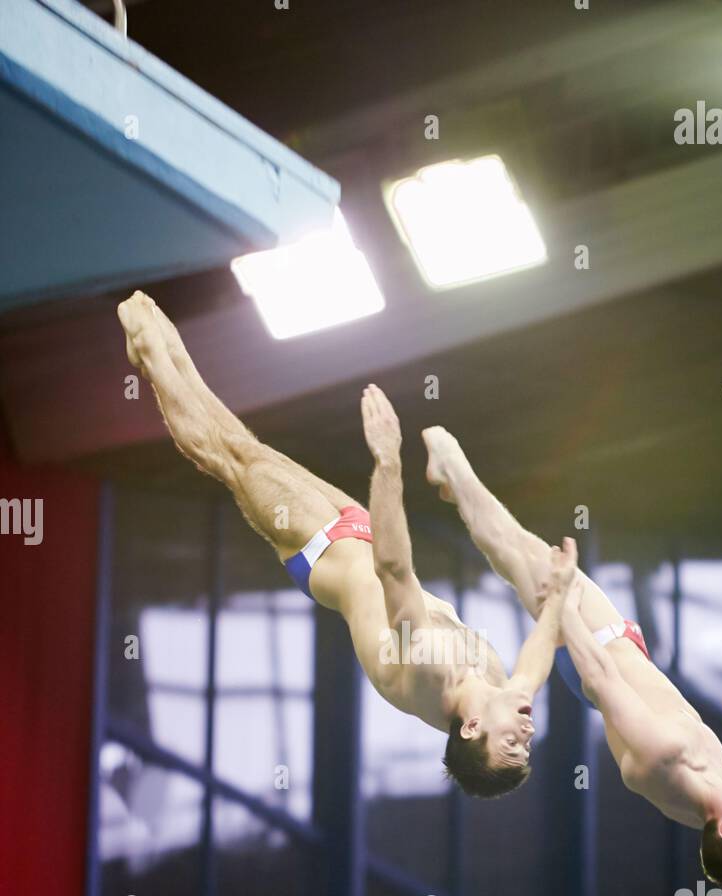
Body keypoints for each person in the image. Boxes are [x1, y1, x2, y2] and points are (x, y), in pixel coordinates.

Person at [116, 291, 570, 797]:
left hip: (322, 552)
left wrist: (388, 462)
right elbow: (538, 657)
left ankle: (151, 355)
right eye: (525, 748)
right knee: (246, 446)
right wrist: (559, 596)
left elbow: (395, 571)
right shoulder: (501, 684)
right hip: (359, 531)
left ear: (470, 729)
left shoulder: (428, 677)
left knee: (231, 458)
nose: (526, 736)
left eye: (511, 746)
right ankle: (159, 341)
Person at [423, 426, 722, 887]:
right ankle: (458, 489)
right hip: (619, 651)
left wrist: (563, 602)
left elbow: (600, 680)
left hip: (595, 651)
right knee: (518, 555)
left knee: (520, 548)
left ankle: (448, 459)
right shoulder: (718, 799)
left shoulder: (664, 759)